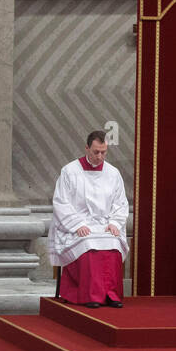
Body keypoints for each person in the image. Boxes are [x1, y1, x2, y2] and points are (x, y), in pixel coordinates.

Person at [48, 131, 130, 308]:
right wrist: (77, 225)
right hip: (78, 224)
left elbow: (121, 203)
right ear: (86, 148)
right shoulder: (70, 171)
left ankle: (111, 295)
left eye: (103, 152)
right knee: (88, 244)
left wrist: (115, 223)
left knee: (114, 243)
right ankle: (90, 295)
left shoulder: (113, 173)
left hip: (104, 223)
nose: (100, 157)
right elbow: (61, 202)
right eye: (95, 152)